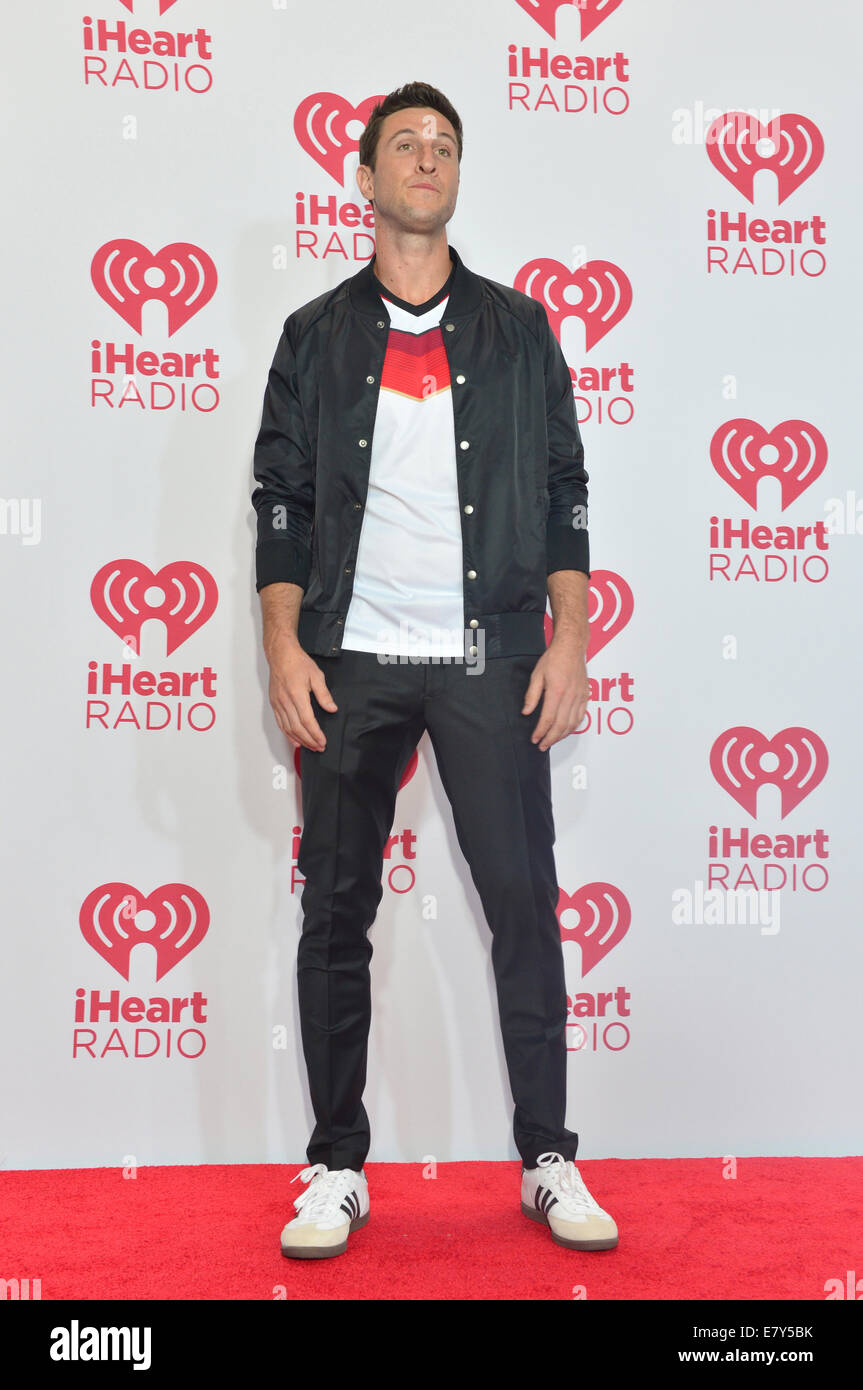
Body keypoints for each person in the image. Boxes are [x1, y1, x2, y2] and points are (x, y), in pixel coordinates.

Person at [251, 81, 618, 1259]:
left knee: (521, 907)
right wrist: (278, 644)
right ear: (361, 178)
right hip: (351, 660)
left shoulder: (519, 330)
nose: (424, 160)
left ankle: (547, 1156)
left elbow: (563, 496)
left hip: (488, 657)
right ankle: (333, 1167)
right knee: (334, 915)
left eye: (443, 146)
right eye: (402, 145)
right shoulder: (312, 335)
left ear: (458, 177)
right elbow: (281, 504)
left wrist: (567, 639)